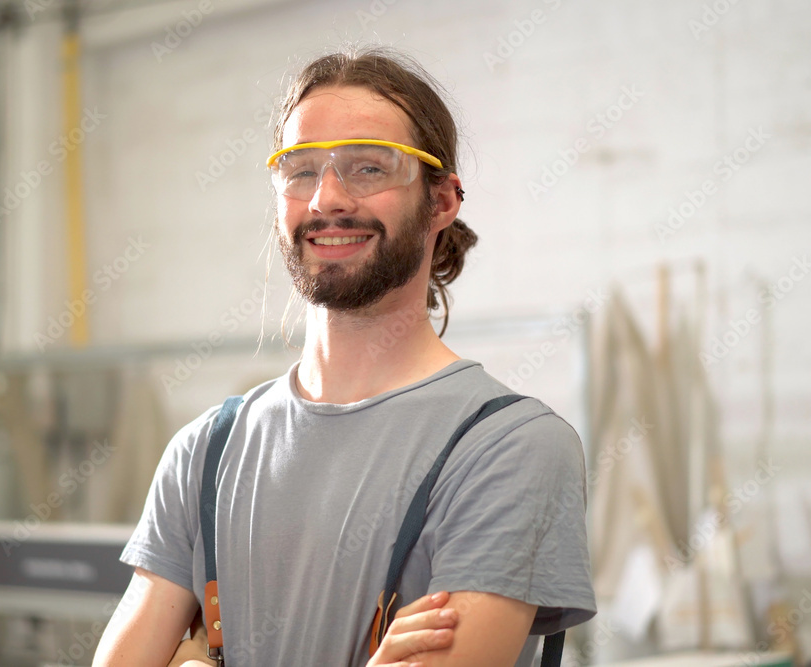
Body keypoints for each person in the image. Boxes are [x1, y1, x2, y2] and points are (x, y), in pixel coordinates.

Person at [93, 47, 596, 667]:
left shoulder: (509, 448)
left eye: (368, 168)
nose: (326, 198)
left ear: (442, 201)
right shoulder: (204, 453)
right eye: (300, 170)